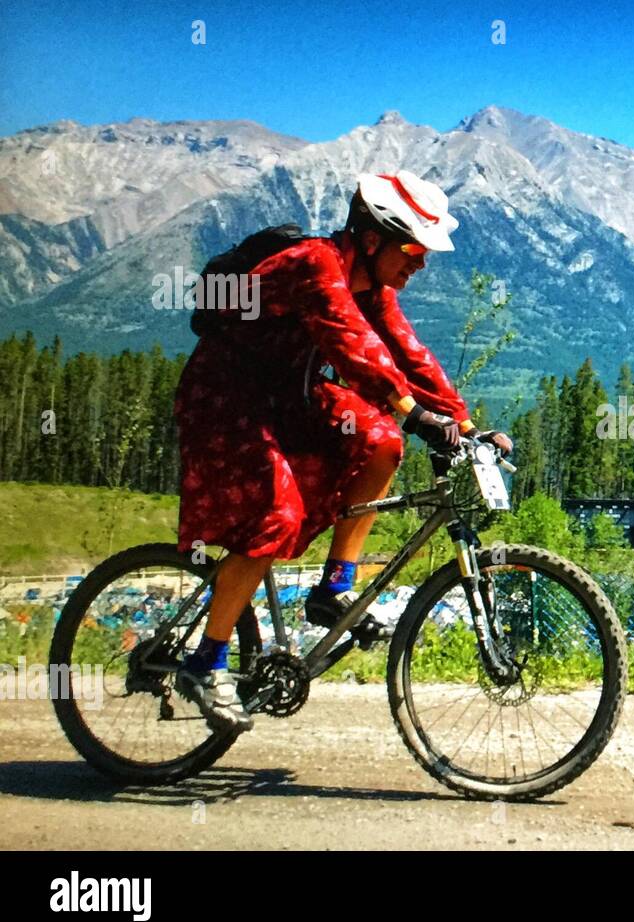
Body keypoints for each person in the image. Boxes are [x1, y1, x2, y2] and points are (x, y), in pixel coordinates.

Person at [172, 170, 511, 731]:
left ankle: (334, 588)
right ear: (372, 238)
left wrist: (464, 423)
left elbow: (408, 354)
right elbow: (354, 349)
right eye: (411, 249)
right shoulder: (313, 265)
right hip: (226, 396)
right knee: (273, 516)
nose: (420, 264)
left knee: (381, 440)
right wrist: (414, 411)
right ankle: (205, 663)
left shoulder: (372, 287)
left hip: (289, 392)